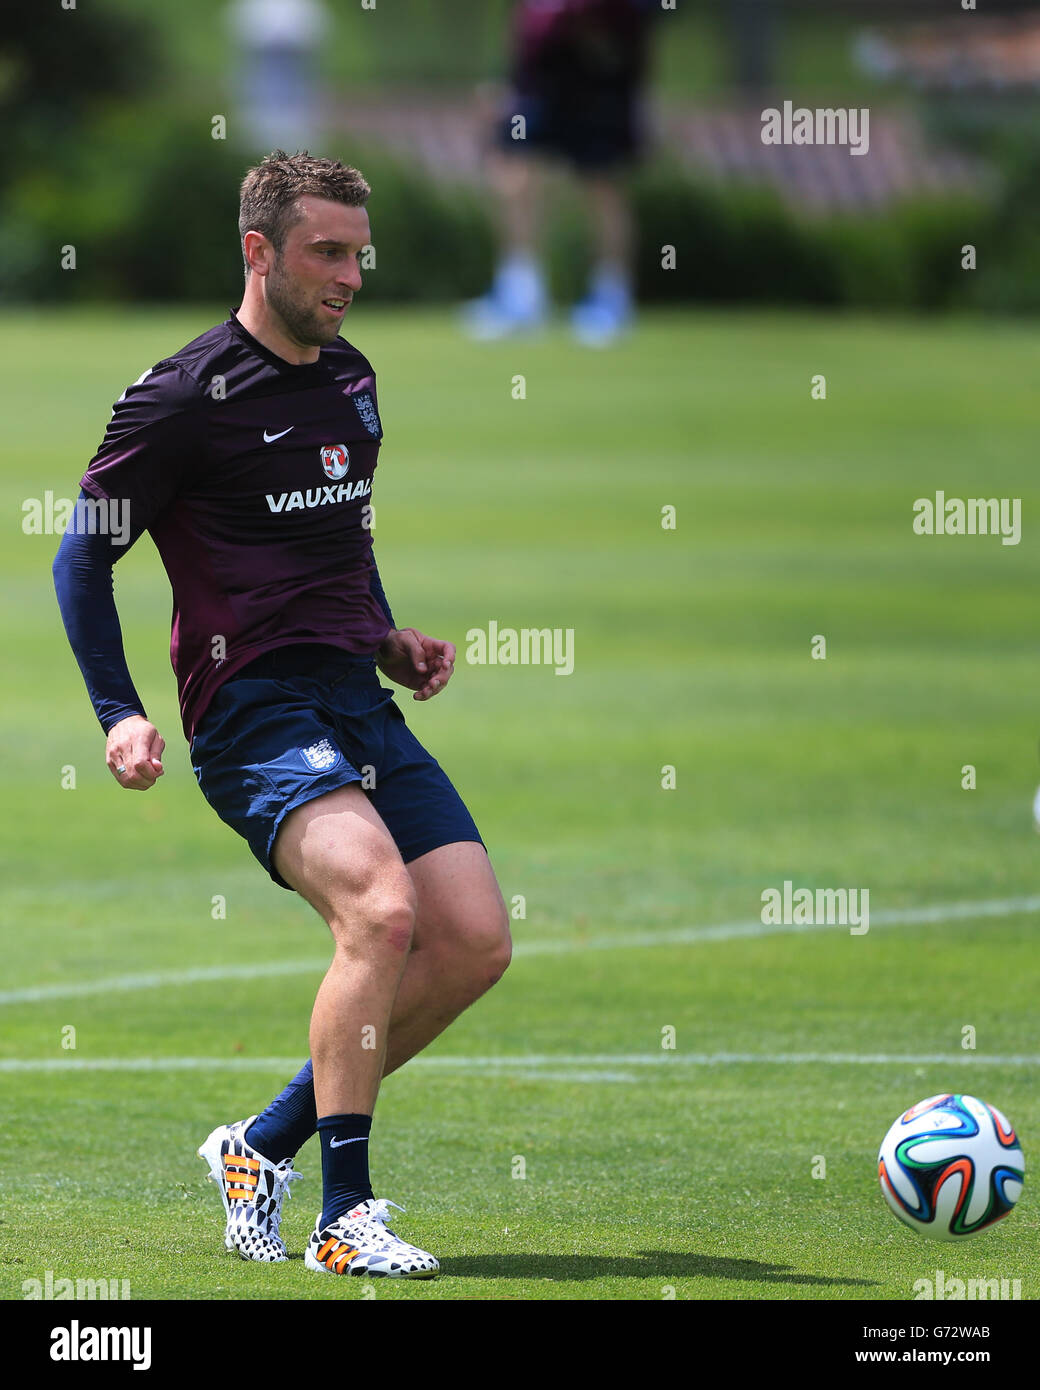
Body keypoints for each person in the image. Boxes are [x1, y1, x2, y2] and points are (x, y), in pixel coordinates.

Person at [53, 150, 512, 1279]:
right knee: (379, 907)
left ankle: (259, 1147)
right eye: (327, 252)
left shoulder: (350, 378)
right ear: (258, 251)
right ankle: (343, 1217)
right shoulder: (180, 397)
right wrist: (118, 712)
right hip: (250, 710)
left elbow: (338, 542)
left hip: (354, 698)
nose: (350, 274)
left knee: (471, 941)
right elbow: (81, 556)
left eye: (359, 252)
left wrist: (388, 636)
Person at [463, 0, 656, 346]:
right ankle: (522, 294)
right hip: (540, 75)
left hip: (601, 70)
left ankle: (611, 298)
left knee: (603, 182)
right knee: (514, 170)